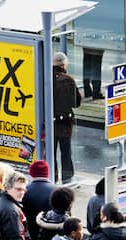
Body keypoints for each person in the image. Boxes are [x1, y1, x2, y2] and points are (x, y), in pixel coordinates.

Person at [52, 53, 83, 183]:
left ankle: (52, 177)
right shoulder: (68, 80)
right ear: (64, 64)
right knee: (66, 151)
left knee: (50, 151)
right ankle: (67, 178)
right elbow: (76, 102)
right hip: (64, 121)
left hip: (49, 121)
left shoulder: (45, 78)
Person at [23, 160, 56, 240]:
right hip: (51, 235)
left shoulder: (24, 190)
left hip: (31, 234)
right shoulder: (56, 190)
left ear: (31, 173)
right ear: (47, 173)